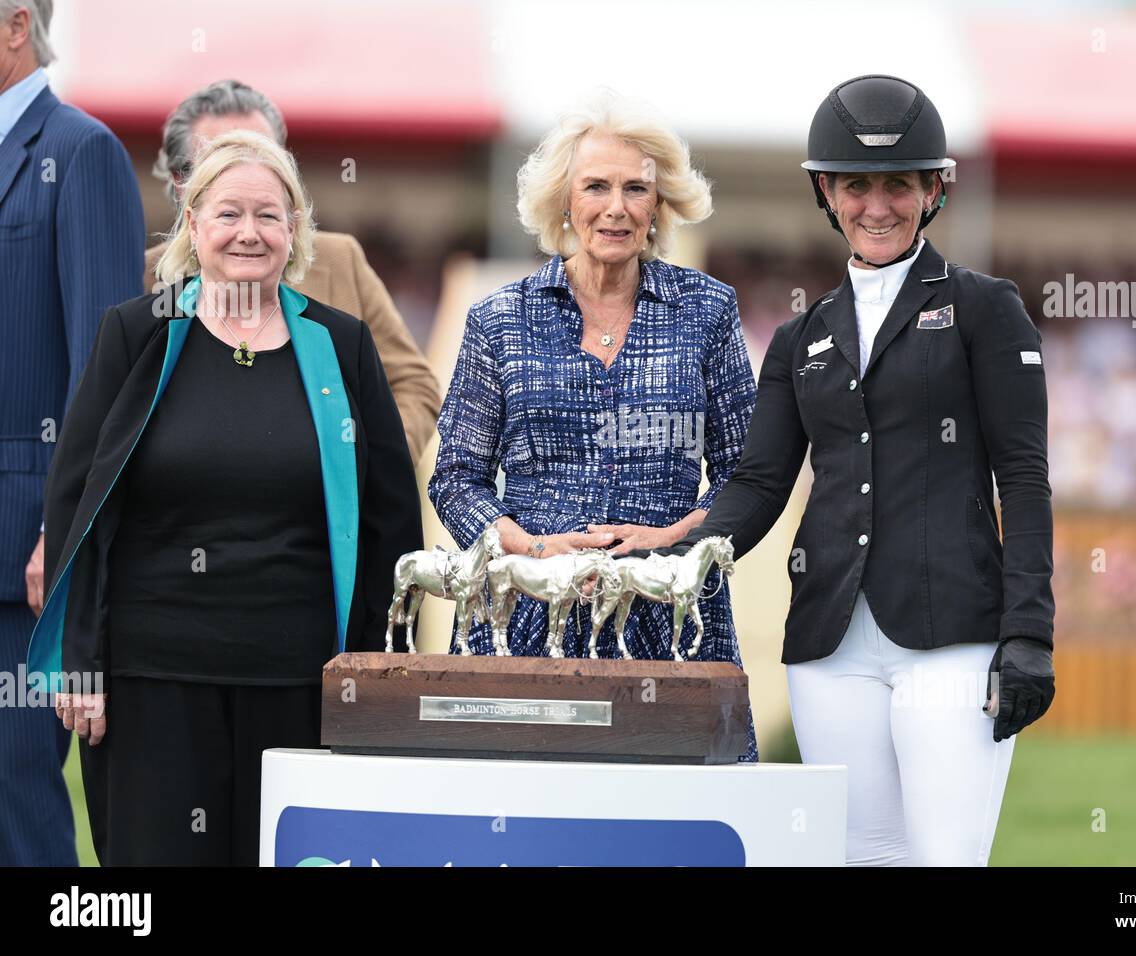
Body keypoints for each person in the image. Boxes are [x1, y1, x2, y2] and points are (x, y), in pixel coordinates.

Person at [644, 75, 1056, 863]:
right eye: (856, 185)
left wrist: (1030, 632)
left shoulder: (984, 308)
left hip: (953, 639)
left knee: (944, 856)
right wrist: (674, 556)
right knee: (864, 859)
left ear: (934, 189)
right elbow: (760, 485)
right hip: (830, 644)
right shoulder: (802, 340)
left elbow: (1025, 477)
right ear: (826, 193)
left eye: (898, 184)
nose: (877, 206)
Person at [28, 130, 422, 865]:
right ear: (193, 225)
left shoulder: (343, 344)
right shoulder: (135, 334)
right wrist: (79, 661)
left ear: (295, 230)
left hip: (301, 681)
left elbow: (390, 528)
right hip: (152, 684)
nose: (250, 232)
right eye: (229, 214)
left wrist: (376, 677)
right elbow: (77, 503)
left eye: (270, 215)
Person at [430, 93, 760, 761]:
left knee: (678, 833)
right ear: (565, 202)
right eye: (597, 186)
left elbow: (747, 473)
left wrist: (669, 541)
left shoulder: (708, 311)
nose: (617, 206)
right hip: (528, 616)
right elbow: (456, 478)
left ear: (659, 206)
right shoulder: (499, 319)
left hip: (670, 622)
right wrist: (528, 548)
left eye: (636, 188)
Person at [0, 0, 143, 866]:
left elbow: (105, 375)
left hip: (22, 558)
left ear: (16, 24)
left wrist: (69, 531)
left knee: (15, 798)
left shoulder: (80, 152)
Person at [144, 79, 441, 463]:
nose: (248, 173)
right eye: (222, 160)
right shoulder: (148, 279)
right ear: (181, 185)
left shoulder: (340, 260)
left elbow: (414, 385)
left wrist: (362, 467)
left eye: (264, 157)